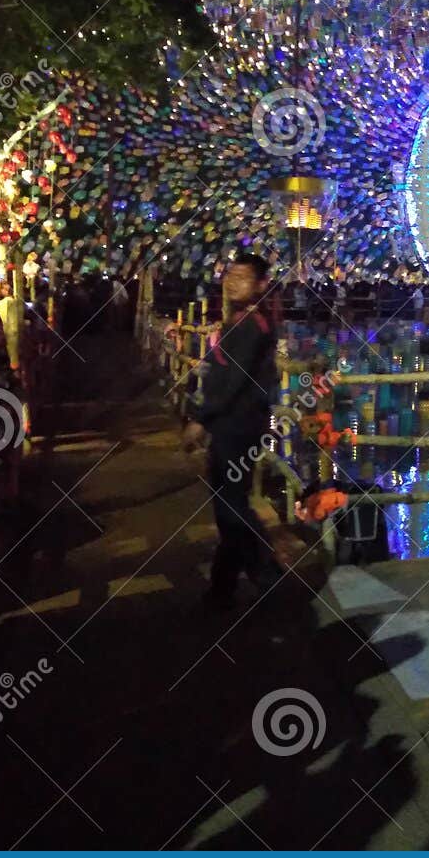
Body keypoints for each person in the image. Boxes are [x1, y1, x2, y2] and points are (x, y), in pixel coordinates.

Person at [182, 253, 280, 609]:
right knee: (230, 506)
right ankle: (222, 589)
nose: (233, 281)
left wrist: (200, 418)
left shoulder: (252, 325)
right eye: (231, 274)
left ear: (260, 285)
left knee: (230, 508)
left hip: (237, 428)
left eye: (244, 276)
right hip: (235, 424)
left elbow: (232, 380)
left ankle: (264, 574)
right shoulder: (243, 321)